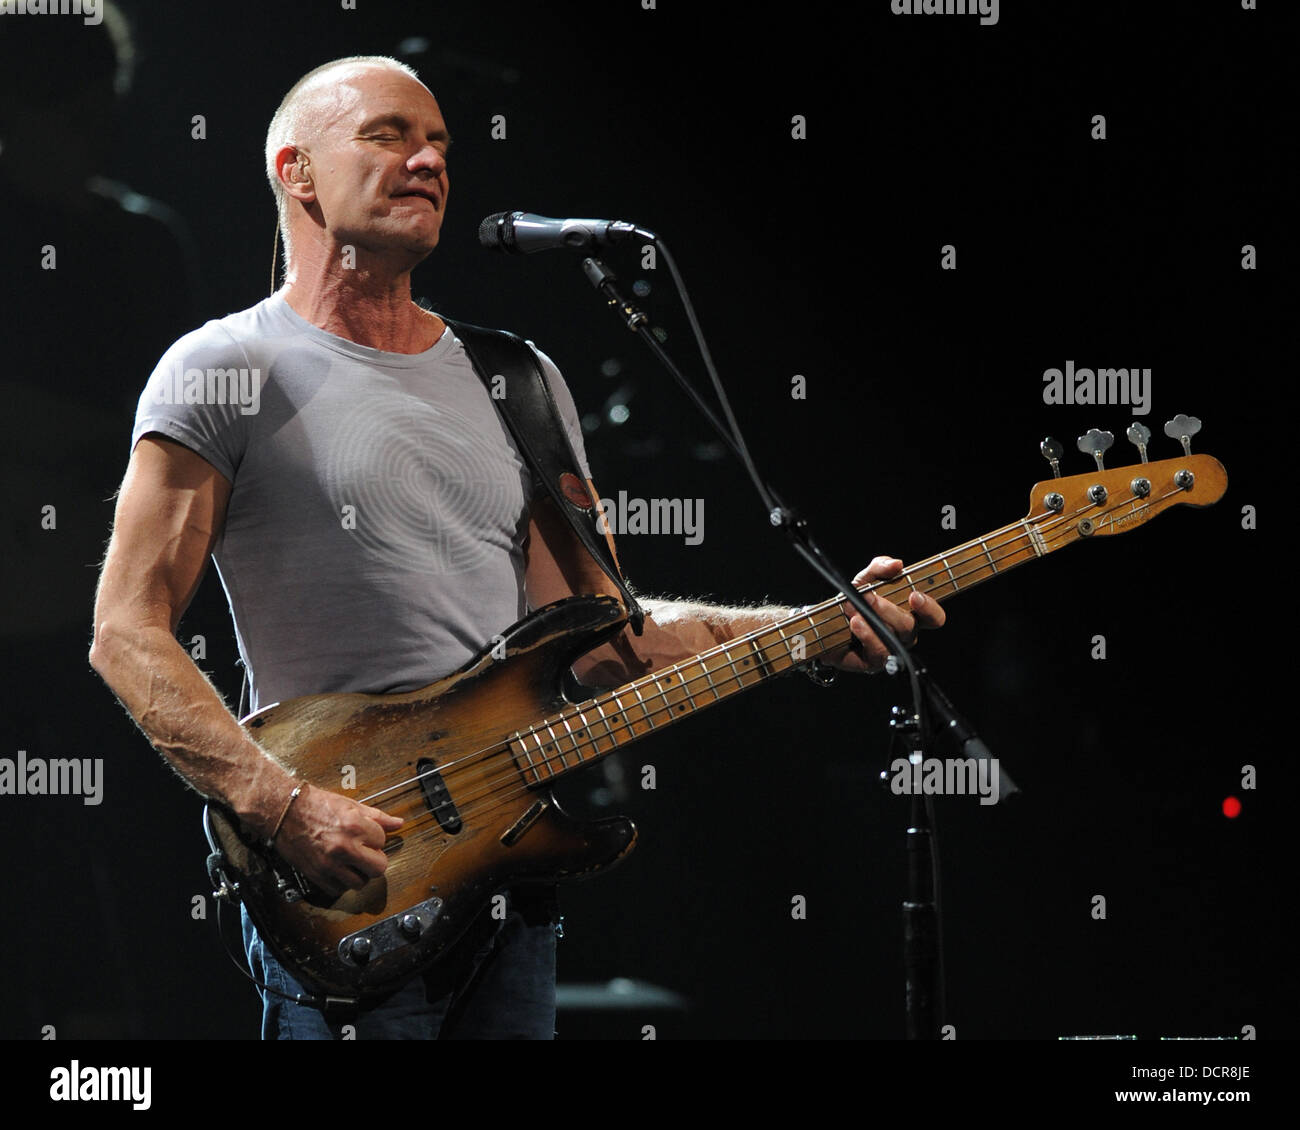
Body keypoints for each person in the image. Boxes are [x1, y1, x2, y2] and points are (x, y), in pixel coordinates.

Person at [88, 55, 946, 1040]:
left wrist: (811, 629)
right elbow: (125, 633)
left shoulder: (520, 380)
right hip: (345, 890)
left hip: (507, 890)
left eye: (442, 144)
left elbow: (603, 640)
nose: (428, 160)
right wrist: (282, 807)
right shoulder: (222, 367)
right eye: (388, 134)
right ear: (296, 171)